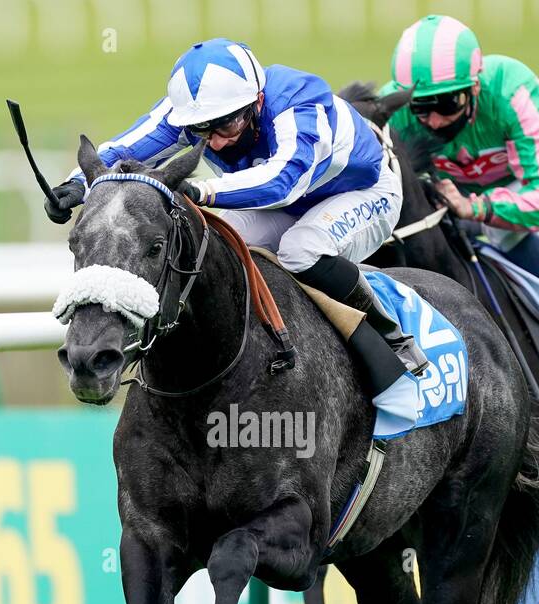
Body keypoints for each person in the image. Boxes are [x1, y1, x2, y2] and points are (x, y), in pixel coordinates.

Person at [46, 37, 428, 427]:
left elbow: (282, 182)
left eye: (226, 124)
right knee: (219, 243)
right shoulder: (195, 109)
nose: (214, 140)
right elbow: (126, 147)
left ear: (257, 102)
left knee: (302, 249)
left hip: (363, 191)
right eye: (201, 129)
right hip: (287, 201)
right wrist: (75, 186)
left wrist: (203, 190)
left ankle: (392, 340)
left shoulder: (299, 103)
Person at [381, 14, 539, 372]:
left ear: (476, 88)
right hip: (451, 194)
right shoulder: (394, 110)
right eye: (422, 108)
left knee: (504, 235)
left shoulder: (512, 89)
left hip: (525, 184)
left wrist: (477, 207)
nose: (434, 120)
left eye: (448, 104)